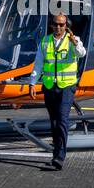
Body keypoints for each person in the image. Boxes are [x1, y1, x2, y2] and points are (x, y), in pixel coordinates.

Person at [27, 11, 86, 170]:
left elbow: (81, 53)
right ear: (52, 25)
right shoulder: (45, 41)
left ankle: (60, 157)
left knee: (62, 119)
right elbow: (38, 64)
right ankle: (55, 154)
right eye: (56, 24)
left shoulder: (73, 40)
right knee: (53, 122)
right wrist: (32, 82)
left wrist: (76, 43)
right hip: (49, 86)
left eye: (62, 24)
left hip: (66, 86)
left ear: (66, 26)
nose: (58, 27)